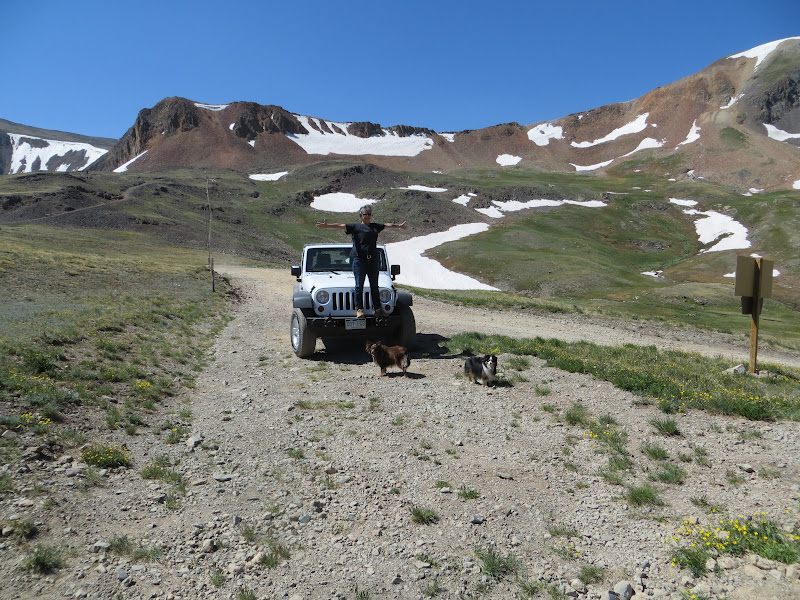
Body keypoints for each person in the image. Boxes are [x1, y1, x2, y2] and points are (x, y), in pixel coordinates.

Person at [316, 205, 407, 318]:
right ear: (361, 216)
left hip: (373, 260)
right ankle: (359, 309)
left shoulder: (375, 226)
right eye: (365, 214)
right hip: (359, 260)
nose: (367, 216)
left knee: (375, 286)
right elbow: (341, 226)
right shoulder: (355, 227)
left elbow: (387, 225)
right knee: (359, 286)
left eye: (369, 214)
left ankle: (378, 309)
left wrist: (399, 226)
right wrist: (327, 226)